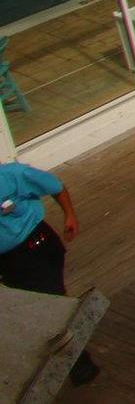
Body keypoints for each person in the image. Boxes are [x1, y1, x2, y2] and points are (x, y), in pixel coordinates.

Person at [0, 160, 99, 385]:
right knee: (31, 311)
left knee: (53, 308)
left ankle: (81, 365)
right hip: (8, 263)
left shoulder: (12, 175)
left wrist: (69, 215)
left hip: (36, 249)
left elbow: (55, 186)